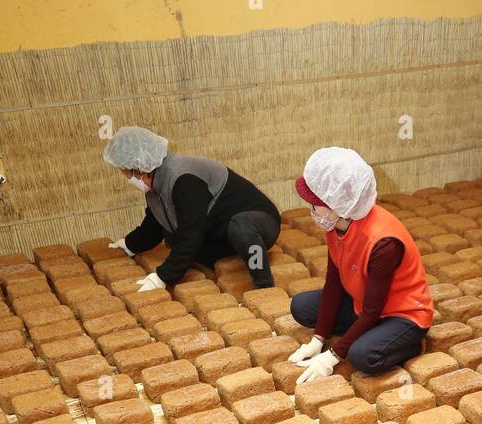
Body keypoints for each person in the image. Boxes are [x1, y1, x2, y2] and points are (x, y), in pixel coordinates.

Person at [288, 147, 433, 382]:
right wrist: (319, 339)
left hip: (402, 314)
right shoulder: (337, 225)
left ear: (337, 205)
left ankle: (409, 344)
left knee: (362, 356)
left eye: (315, 204)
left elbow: (373, 311)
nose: (311, 209)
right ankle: (370, 335)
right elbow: (333, 283)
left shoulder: (383, 243)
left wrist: (332, 357)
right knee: (301, 307)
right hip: (362, 302)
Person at [103, 126, 281, 293]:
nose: (126, 178)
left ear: (140, 167)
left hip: (258, 223)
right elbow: (155, 223)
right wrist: (129, 245)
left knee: (240, 229)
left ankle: (264, 284)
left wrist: (162, 277)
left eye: (126, 172)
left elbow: (191, 234)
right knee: (174, 239)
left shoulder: (184, 179)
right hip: (220, 228)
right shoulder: (155, 184)